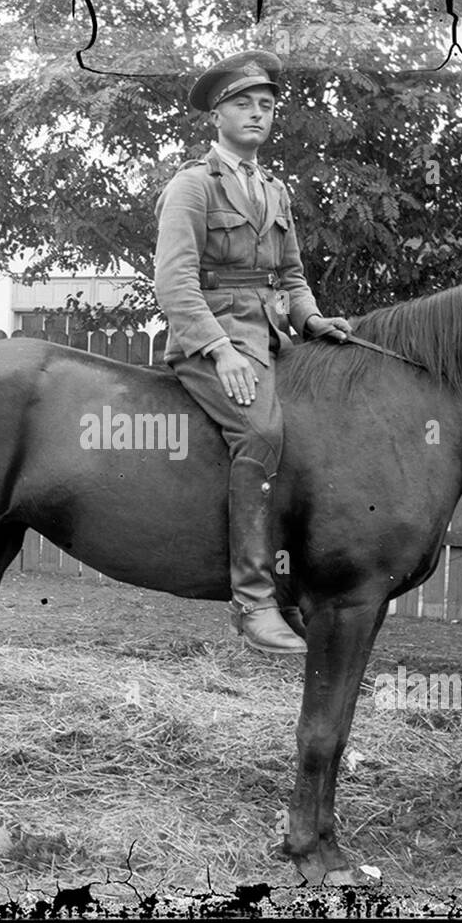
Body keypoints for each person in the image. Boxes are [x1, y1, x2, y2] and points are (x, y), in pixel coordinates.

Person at [154, 49, 354, 656]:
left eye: (266, 106)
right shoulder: (192, 185)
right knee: (261, 433)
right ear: (217, 115)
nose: (257, 114)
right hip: (209, 341)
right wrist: (220, 350)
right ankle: (252, 601)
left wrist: (313, 318)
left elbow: (289, 277)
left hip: (272, 340)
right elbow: (175, 284)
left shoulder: (274, 189)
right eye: (243, 103)